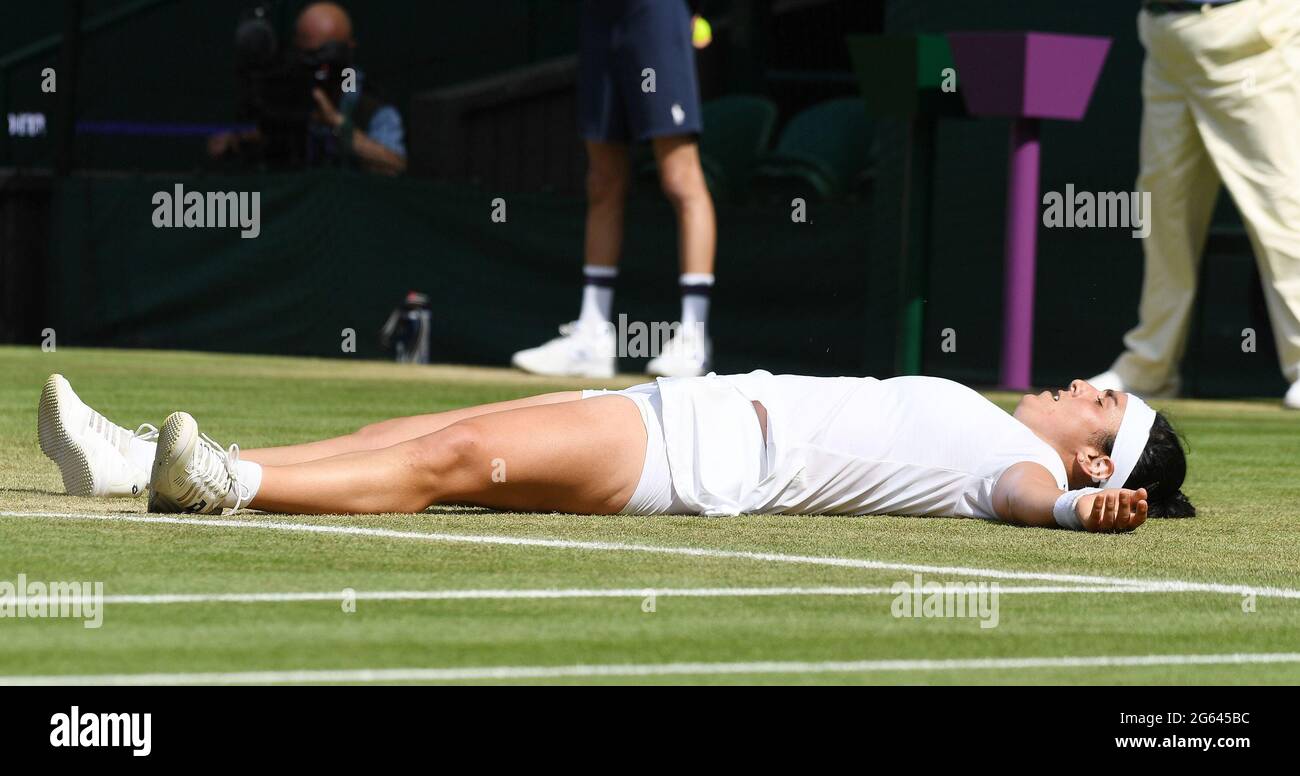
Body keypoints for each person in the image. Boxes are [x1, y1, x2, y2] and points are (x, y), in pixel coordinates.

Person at [36, 371, 1193, 533]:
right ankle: (146, 460)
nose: (1087, 384)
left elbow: (1016, 491)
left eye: (1108, 405)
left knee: (459, 453)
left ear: (1102, 463)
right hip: (681, 403)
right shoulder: (993, 417)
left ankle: (224, 482)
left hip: (694, 456)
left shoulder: (1020, 466)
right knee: (414, 435)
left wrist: (1063, 517)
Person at [1090, 0, 1300, 408]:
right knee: (1163, 208)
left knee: (1282, 206)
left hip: (1249, 37)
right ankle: (1149, 366)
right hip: (1166, 42)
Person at [511, 0, 717, 379]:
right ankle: (592, 336)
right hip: (598, 16)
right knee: (603, 179)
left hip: (655, 13)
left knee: (679, 177)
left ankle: (693, 337)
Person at [208, 1, 407, 175]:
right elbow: (223, 146)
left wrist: (336, 123)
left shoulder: (366, 103)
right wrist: (246, 139)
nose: (319, 74)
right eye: (308, 61)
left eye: (327, 65)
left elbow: (394, 167)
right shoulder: (283, 91)